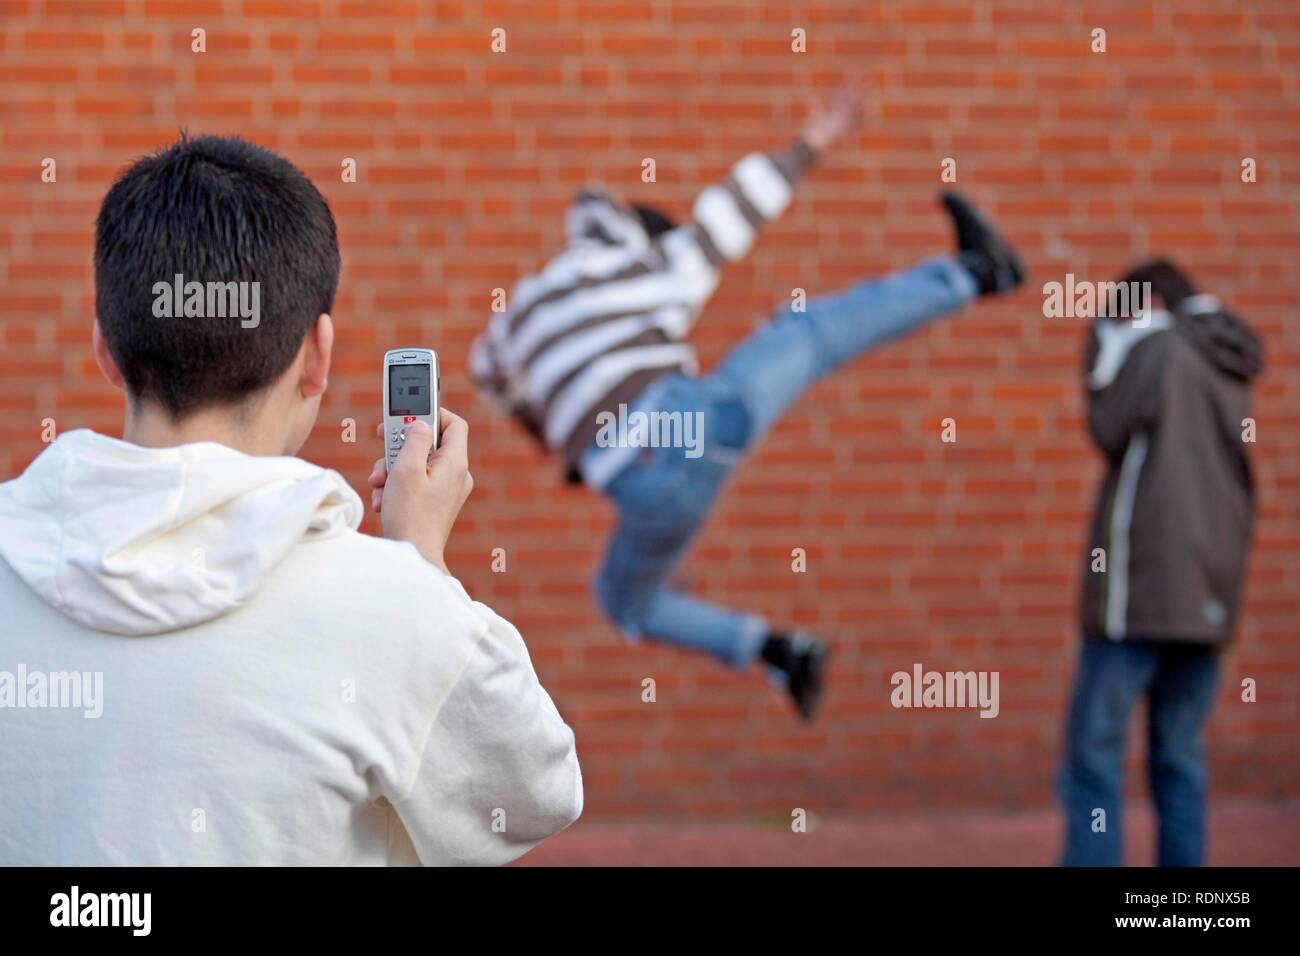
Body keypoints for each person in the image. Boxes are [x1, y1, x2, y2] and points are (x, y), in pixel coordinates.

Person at [0, 135, 582, 866]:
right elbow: (540, 792)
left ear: (106, 348)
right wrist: (421, 563)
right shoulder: (394, 611)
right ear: (317, 356)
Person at [471, 81, 1026, 719]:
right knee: (807, 334)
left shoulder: (514, 320)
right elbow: (729, 215)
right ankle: (977, 272)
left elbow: (489, 373)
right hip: (686, 429)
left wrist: (547, 434)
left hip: (635, 488)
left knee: (627, 604)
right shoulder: (645, 266)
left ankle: (778, 652)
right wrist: (812, 144)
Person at [1058, 259, 1263, 866]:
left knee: (1094, 755)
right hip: (1206, 599)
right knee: (1179, 756)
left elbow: (1107, 424)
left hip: (1139, 598)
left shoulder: (1162, 352)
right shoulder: (1228, 363)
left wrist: (1106, 340)